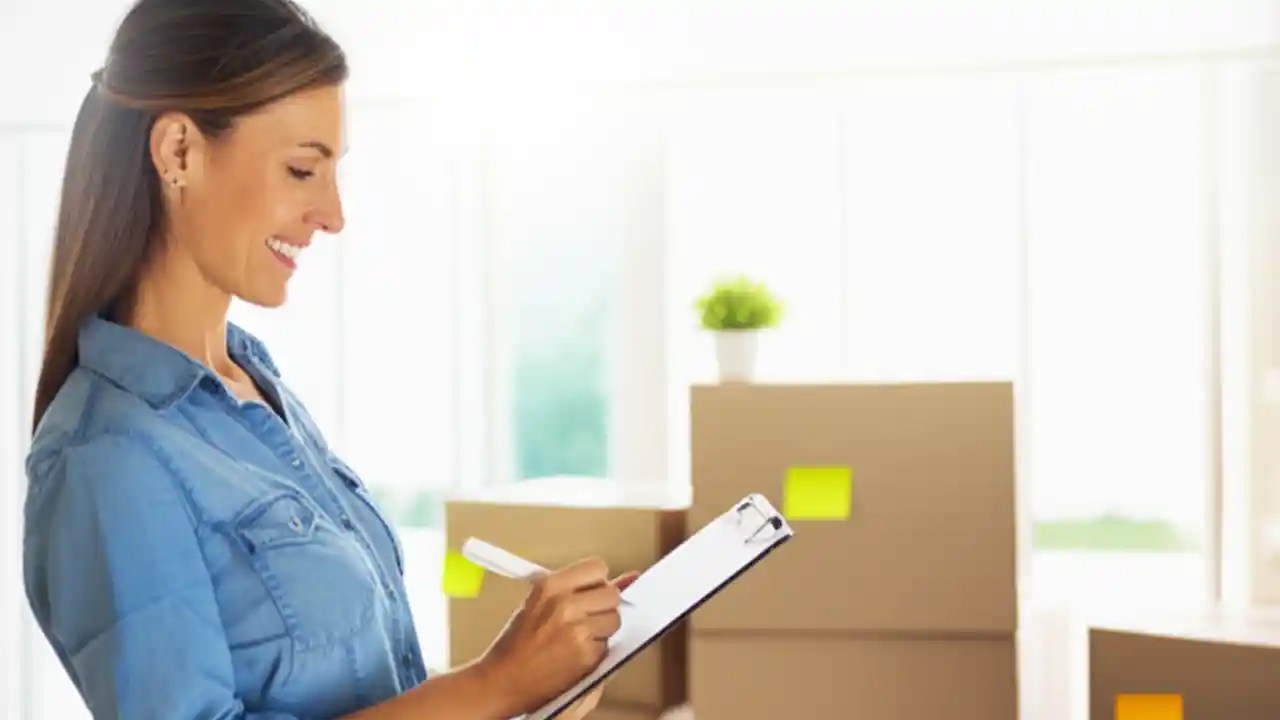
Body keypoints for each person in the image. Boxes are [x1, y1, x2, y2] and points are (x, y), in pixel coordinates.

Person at [21, 0, 631, 717]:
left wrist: (528, 690)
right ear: (179, 152)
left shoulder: (253, 388)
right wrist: (496, 683)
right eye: (302, 169)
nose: (333, 214)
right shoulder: (110, 456)